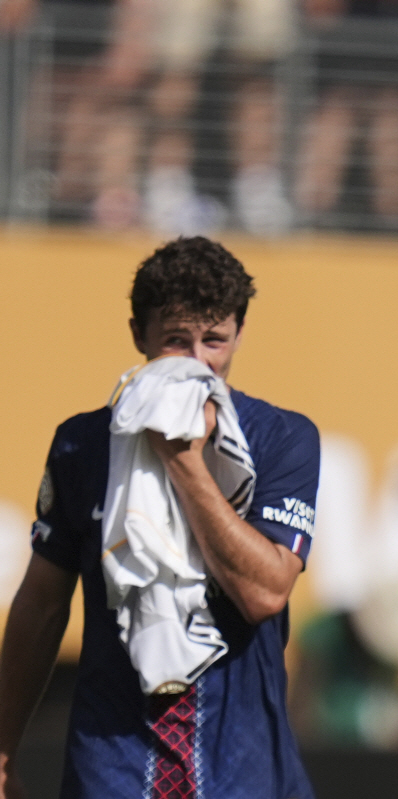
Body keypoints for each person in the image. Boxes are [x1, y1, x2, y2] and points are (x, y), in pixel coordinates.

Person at [0, 237, 320, 798]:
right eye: (177, 341)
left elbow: (266, 593)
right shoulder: (82, 445)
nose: (198, 362)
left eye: (214, 341)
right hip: (113, 766)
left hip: (242, 770)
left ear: (238, 337)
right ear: (138, 336)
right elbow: (43, 603)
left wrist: (184, 463)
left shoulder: (283, 439)